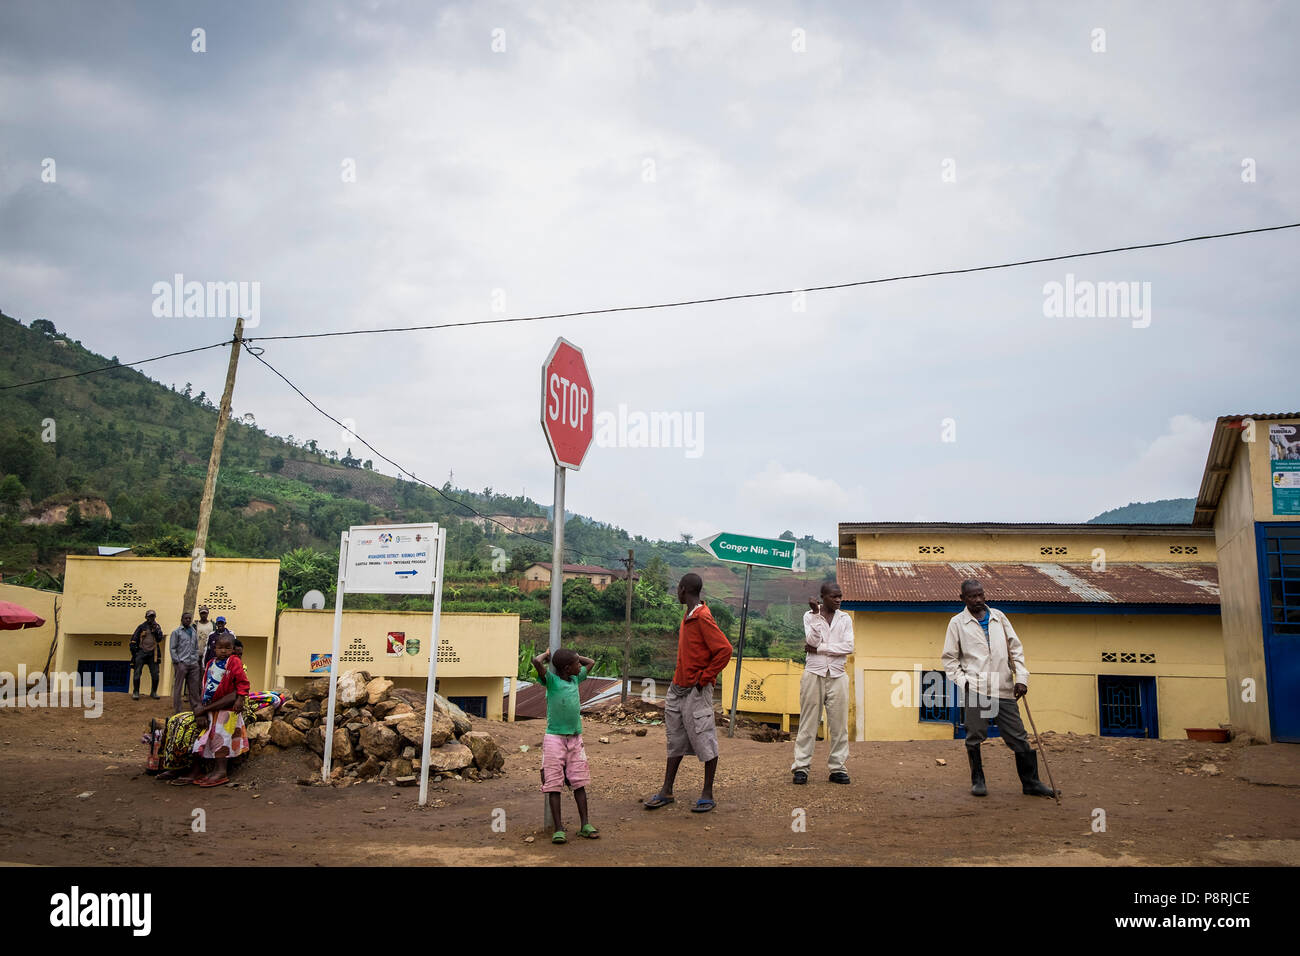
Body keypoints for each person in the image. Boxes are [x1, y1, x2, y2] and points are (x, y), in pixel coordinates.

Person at [941, 579, 1058, 798]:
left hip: (1003, 686)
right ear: (962, 599)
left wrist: (1021, 677)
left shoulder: (999, 617)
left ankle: (1031, 783)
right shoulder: (957, 623)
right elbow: (949, 659)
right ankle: (978, 781)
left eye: (980, 595)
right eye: (972, 596)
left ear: (984, 595)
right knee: (975, 735)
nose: (977, 600)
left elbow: (1016, 649)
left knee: (1018, 735)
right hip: (977, 687)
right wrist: (964, 681)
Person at [644, 572, 732, 813]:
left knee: (705, 737)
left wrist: (705, 678)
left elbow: (725, 650)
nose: (676, 592)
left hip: (696, 689)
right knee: (676, 739)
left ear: (683, 589)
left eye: (677, 589)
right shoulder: (689, 615)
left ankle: (707, 794)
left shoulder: (702, 616)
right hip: (678, 688)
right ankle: (667, 791)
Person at [532, 647, 599, 844]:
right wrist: (547, 655)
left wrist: (576, 656)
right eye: (576, 664)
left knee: (579, 782)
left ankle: (585, 824)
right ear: (567, 668)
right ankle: (558, 828)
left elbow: (591, 662)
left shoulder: (575, 679)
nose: (580, 666)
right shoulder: (552, 682)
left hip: (575, 739)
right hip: (554, 739)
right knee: (554, 785)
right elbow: (537, 662)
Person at [792, 582, 854, 785]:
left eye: (840, 596)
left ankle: (838, 768)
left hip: (837, 675)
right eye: (834, 596)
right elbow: (811, 639)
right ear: (823, 597)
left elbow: (848, 646)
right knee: (808, 723)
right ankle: (801, 767)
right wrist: (817, 614)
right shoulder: (809, 616)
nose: (838, 600)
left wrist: (819, 650)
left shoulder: (845, 618)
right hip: (813, 674)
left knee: (839, 724)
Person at [188, 633, 251, 788]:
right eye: (220, 648)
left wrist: (240, 699)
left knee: (222, 739)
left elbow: (242, 683)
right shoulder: (210, 663)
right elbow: (206, 684)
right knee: (213, 738)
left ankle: (221, 771)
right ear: (214, 648)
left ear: (232, 649)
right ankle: (214, 770)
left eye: (227, 648)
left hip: (227, 711)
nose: (223, 651)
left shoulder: (234, 662)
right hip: (213, 708)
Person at [169, 611, 202, 713]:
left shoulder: (193, 632)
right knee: (178, 687)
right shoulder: (176, 632)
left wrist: (196, 659)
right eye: (185, 618)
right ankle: (178, 710)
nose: (188, 620)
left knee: (194, 687)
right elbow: (172, 648)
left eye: (189, 618)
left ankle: (195, 708)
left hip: (193, 664)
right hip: (182, 663)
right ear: (182, 620)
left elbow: (196, 647)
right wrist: (178, 662)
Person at [129, 610, 164, 700]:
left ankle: (153, 692)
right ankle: (136, 692)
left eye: (153, 616)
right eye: (149, 616)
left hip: (153, 653)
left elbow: (160, 639)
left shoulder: (157, 626)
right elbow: (134, 640)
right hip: (141, 652)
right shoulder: (141, 627)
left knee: (155, 674)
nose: (151, 618)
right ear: (146, 617)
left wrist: (155, 630)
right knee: (137, 673)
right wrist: (135, 653)